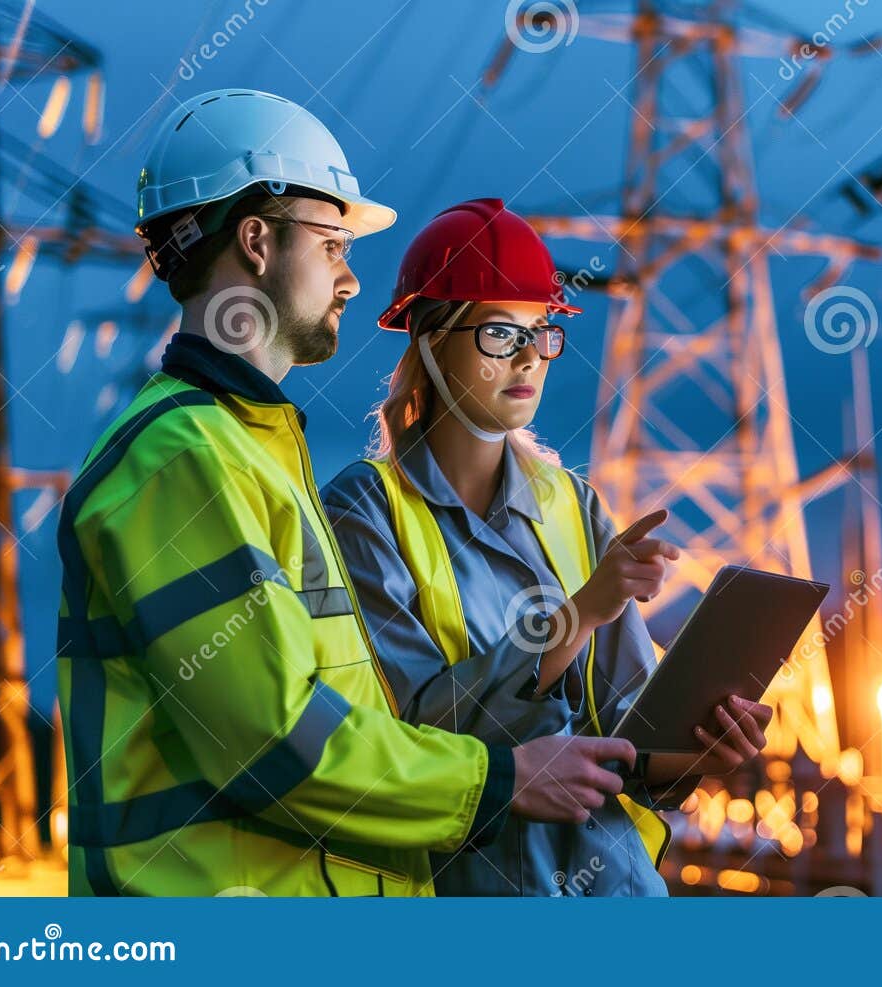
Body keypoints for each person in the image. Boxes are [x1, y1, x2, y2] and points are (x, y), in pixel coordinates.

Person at [56, 92, 635, 897]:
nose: (353, 280)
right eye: (332, 246)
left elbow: (347, 718)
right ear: (256, 242)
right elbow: (274, 739)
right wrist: (498, 778)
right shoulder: (180, 458)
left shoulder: (253, 451)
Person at [320, 198, 772, 896]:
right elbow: (408, 732)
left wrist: (696, 748)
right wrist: (579, 613)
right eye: (502, 332)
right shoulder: (364, 510)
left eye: (543, 330)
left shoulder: (572, 504)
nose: (532, 354)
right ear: (433, 342)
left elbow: (626, 736)